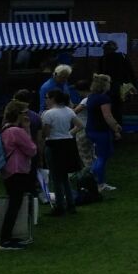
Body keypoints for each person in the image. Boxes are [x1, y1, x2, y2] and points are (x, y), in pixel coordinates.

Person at [0, 102, 39, 250]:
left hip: (8, 171)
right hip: (18, 171)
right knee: (15, 205)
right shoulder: (16, 131)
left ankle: (7, 236)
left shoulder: (5, 129)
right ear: (18, 114)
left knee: (14, 204)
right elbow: (32, 149)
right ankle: (5, 239)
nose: (27, 116)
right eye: (24, 113)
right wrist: (27, 129)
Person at [40, 88, 81, 217]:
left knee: (56, 177)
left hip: (53, 144)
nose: (45, 100)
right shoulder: (68, 110)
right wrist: (68, 133)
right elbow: (80, 125)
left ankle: (59, 206)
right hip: (67, 143)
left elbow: (46, 133)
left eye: (47, 98)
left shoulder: (48, 114)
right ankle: (71, 204)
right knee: (64, 176)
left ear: (53, 99)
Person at [81, 73, 123, 191]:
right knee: (102, 157)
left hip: (91, 129)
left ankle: (95, 179)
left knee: (99, 156)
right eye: (109, 83)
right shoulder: (104, 99)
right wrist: (116, 127)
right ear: (104, 85)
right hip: (101, 131)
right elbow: (107, 116)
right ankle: (97, 181)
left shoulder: (91, 97)